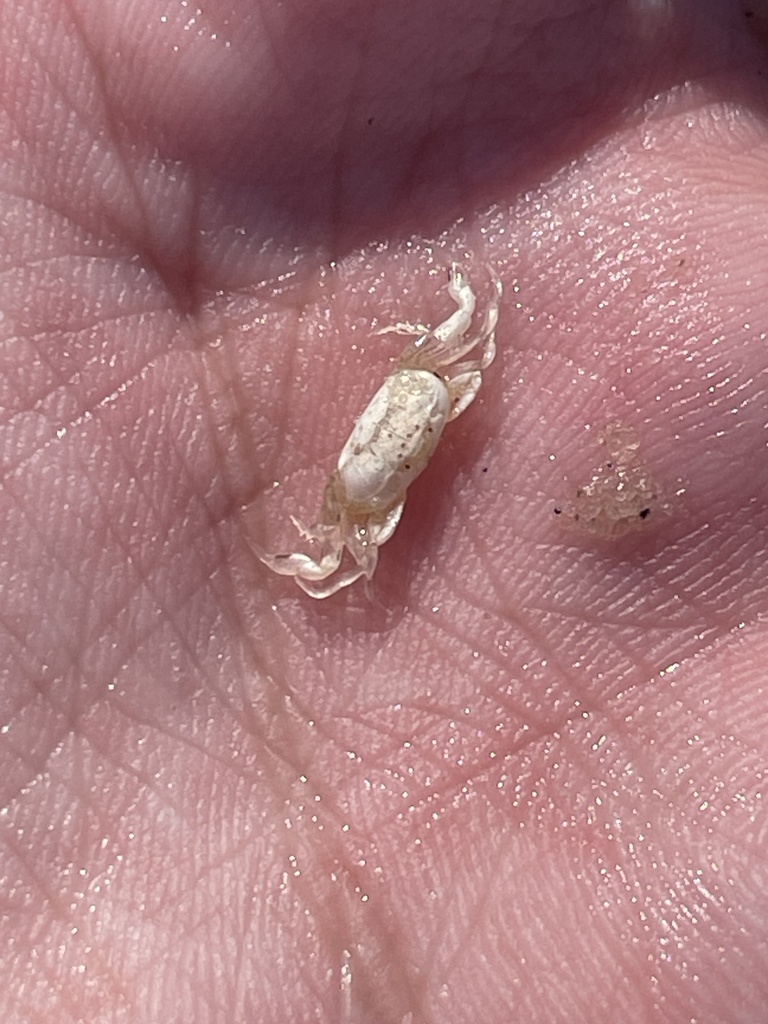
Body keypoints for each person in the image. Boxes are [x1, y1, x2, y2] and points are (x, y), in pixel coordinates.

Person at [1, 0, 765, 1020]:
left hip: (399, 427)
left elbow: (464, 340)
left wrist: (443, 346)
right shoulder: (382, 462)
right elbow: (383, 483)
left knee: (409, 429)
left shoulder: (437, 383)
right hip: (370, 471)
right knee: (365, 504)